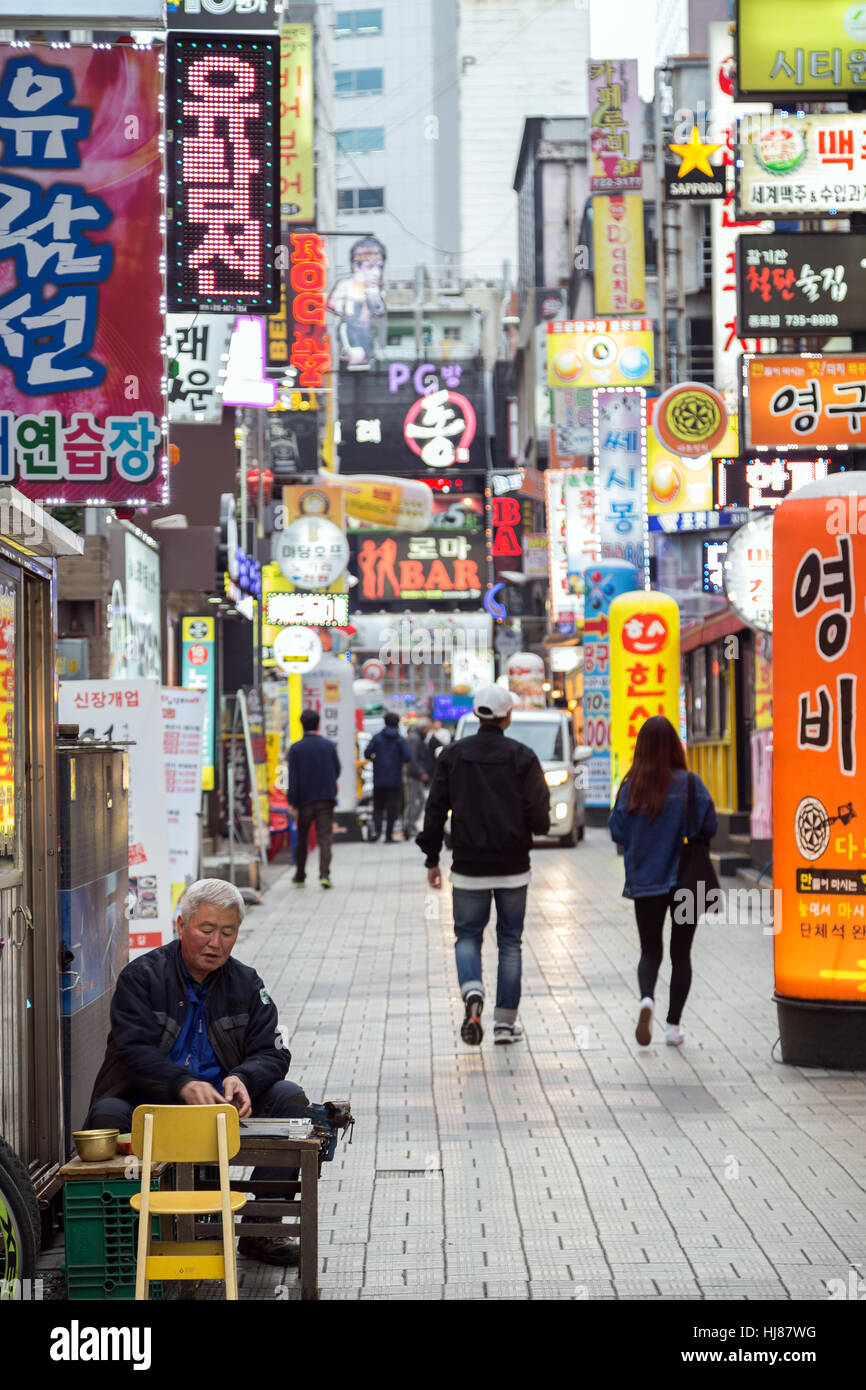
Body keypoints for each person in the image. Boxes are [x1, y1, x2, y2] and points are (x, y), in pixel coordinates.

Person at [85, 879, 309, 1266]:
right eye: (206, 930)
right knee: (107, 1116)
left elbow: (273, 1052)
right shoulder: (142, 977)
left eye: (228, 932)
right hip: (151, 1104)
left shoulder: (246, 982)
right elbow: (132, 1052)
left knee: (291, 1099)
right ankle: (119, 1242)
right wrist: (182, 1083)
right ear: (180, 925)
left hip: (223, 1109)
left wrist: (243, 1078)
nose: (216, 942)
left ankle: (264, 1227)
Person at [416, 685, 550, 1046]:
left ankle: (472, 992)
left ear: (476, 714)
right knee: (510, 941)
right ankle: (505, 1024)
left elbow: (434, 810)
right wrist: (537, 827)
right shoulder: (523, 756)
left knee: (467, 936)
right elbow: (539, 812)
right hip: (513, 866)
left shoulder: (453, 756)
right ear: (507, 716)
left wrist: (432, 858)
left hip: (468, 866)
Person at [608, 715, 718, 1049]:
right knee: (681, 953)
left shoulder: (632, 787)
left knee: (650, 950)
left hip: (647, 879)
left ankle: (646, 1000)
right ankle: (673, 1027)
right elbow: (710, 824)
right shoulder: (690, 783)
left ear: (641, 748)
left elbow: (617, 831)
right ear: (674, 746)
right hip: (687, 881)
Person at [287, 707, 341, 888]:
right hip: (326, 799)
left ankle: (300, 876)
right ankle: (325, 875)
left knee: (302, 839)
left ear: (301, 725)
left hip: (304, 802)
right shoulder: (328, 745)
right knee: (324, 837)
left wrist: (292, 802)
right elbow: (337, 770)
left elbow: (292, 779)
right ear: (318, 724)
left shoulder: (295, 749)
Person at [365, 711, 411, 842]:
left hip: (378, 779)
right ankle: (389, 836)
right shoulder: (400, 740)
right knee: (392, 808)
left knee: (378, 807)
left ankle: (378, 832)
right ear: (397, 724)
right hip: (395, 780)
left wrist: (376, 759)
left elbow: (367, 753)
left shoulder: (377, 738)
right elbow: (408, 756)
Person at [404, 715, 440, 838]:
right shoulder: (415, 738)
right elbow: (413, 759)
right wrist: (421, 773)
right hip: (414, 776)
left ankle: (411, 824)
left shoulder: (418, 737)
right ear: (424, 728)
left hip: (416, 775)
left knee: (421, 801)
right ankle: (408, 826)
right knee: (413, 802)